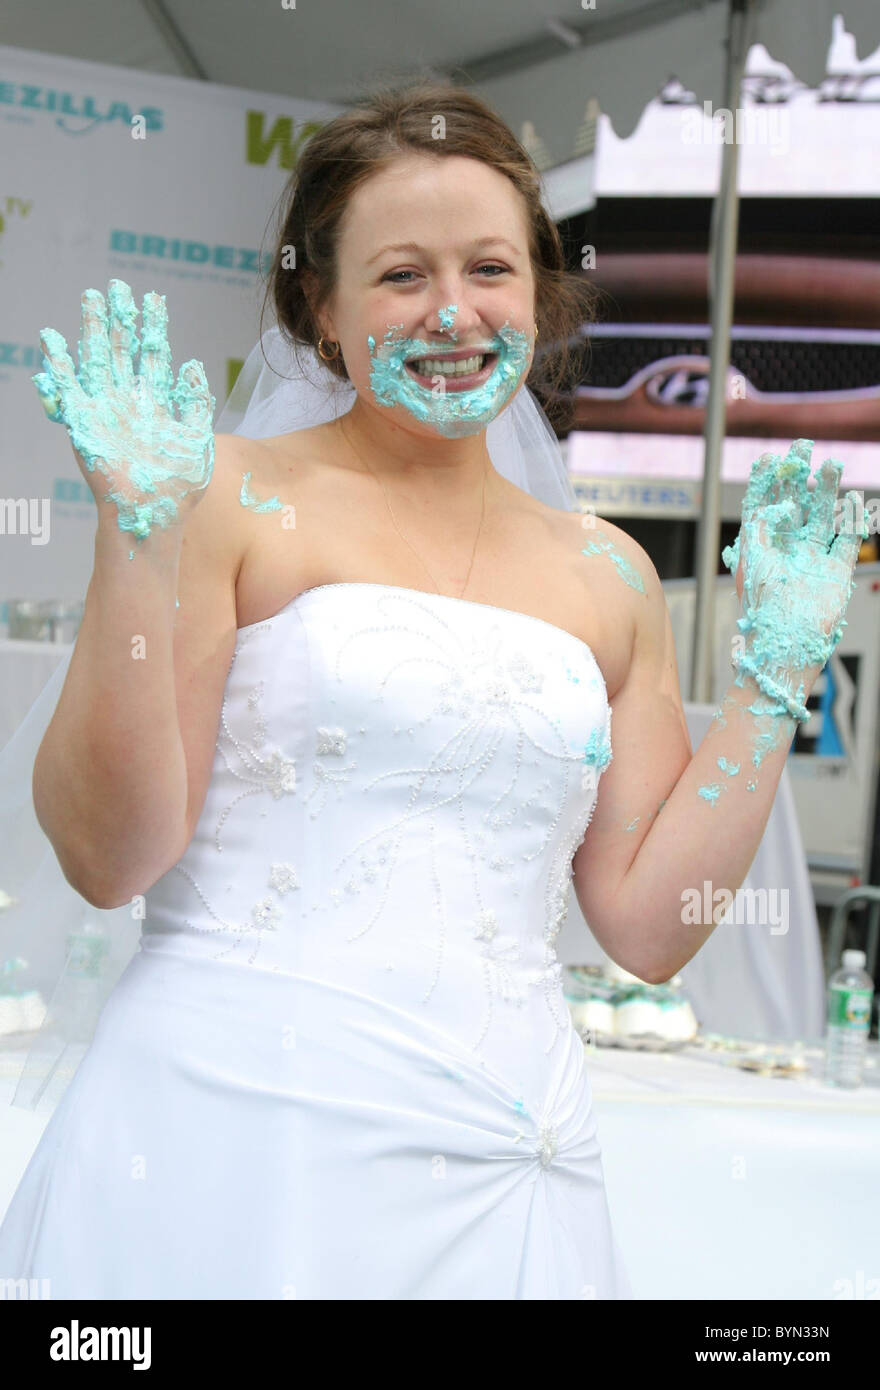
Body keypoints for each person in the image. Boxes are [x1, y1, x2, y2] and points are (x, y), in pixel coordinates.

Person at [0, 79, 864, 1300]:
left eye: (491, 270)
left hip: (506, 1153)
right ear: (323, 306)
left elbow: (650, 928)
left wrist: (774, 682)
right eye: (403, 274)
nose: (453, 313)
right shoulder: (221, 492)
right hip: (240, 1131)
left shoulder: (606, 572)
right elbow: (106, 856)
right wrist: (136, 537)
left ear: (541, 294)